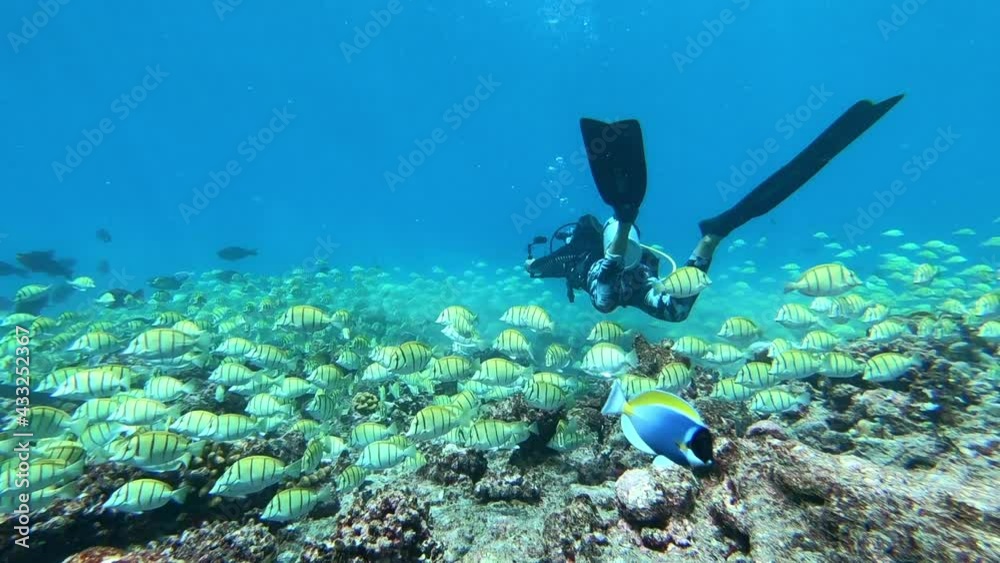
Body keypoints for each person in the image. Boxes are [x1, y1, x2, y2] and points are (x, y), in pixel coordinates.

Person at [525, 94, 904, 322]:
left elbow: (548, 270)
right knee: (674, 311)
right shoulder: (585, 252)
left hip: (616, 271)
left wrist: (534, 265)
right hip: (635, 270)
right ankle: (710, 238)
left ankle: (626, 222)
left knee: (606, 301)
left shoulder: (570, 254)